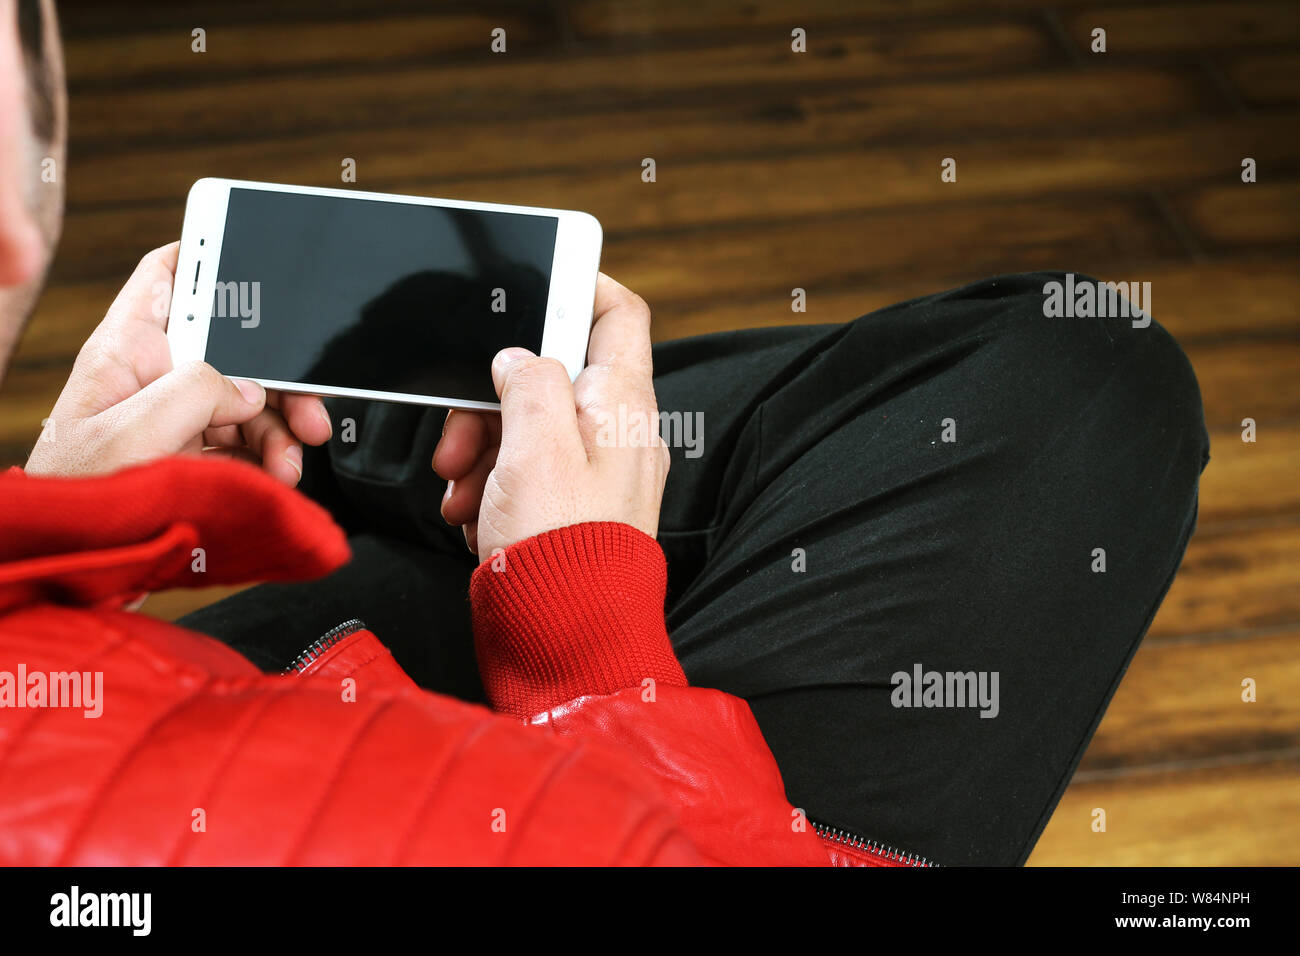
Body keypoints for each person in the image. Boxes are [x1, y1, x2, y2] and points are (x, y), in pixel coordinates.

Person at [0, 0, 1208, 866]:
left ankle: (387, 454)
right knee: (1085, 387)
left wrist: (56, 544)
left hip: (125, 690)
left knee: (429, 464)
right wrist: (585, 639)